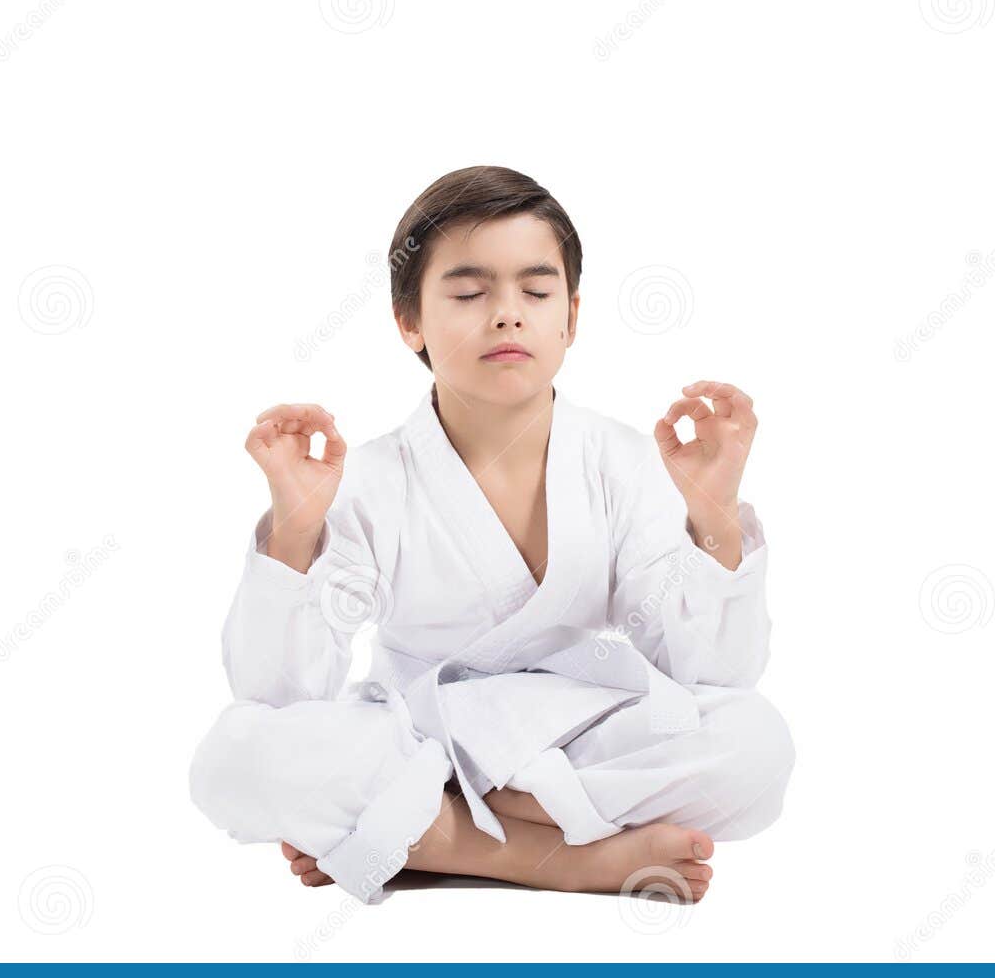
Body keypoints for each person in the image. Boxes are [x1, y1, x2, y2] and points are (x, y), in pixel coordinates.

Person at [189, 166, 795, 905]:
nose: (508, 315)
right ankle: (567, 859)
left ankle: (422, 840)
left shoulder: (625, 462)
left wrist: (714, 515)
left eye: (536, 293)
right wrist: (296, 526)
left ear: (571, 316)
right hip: (416, 736)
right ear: (407, 320)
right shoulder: (370, 479)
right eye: (471, 294)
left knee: (756, 745)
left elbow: (712, 674)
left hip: (569, 734)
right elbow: (280, 696)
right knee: (232, 757)